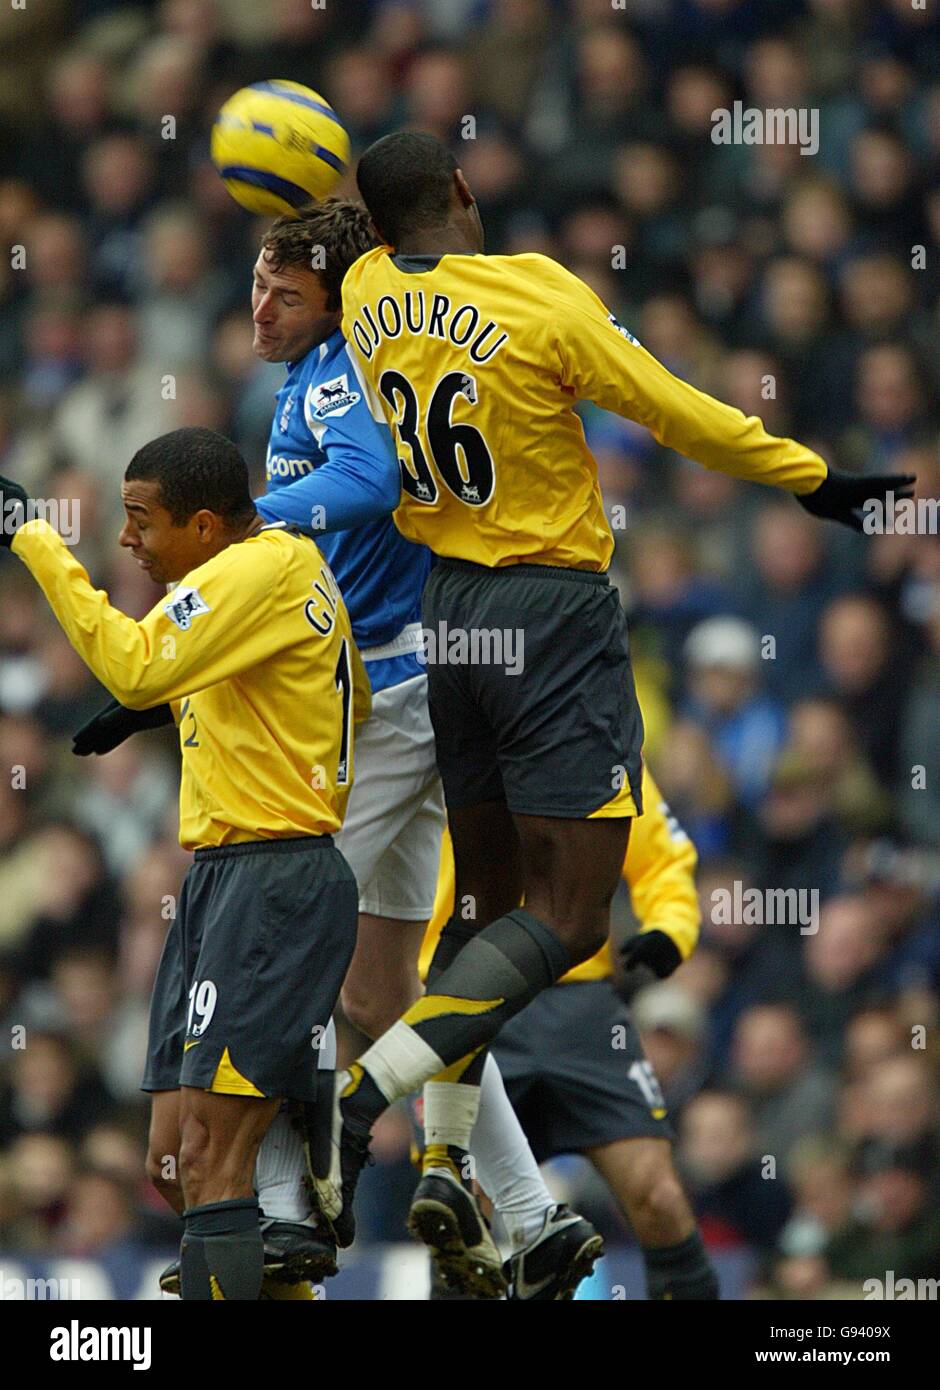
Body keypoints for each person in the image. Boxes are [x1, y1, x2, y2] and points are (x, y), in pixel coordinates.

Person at [311, 129, 915, 1266]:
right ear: (462, 188)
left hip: (450, 611)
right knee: (573, 913)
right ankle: (366, 1094)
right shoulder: (539, 296)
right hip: (547, 609)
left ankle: (443, 1158)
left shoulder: (366, 294)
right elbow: (675, 408)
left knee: (482, 906)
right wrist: (812, 479)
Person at [0, 426, 370, 1300]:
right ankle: (298, 1118)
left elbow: (131, 666)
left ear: (205, 526)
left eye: (141, 519)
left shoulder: (254, 571)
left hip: (275, 877)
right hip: (223, 879)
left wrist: (29, 534)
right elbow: (282, 689)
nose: (127, 538)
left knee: (210, 1161)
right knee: (171, 1162)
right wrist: (164, 706)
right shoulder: (269, 572)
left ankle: (308, 1109)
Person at [418, 763, 720, 1301]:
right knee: (463, 1216)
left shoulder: (586, 728)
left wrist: (671, 925)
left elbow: (660, 850)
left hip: (579, 1005)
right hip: (464, 992)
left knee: (658, 1196)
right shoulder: (432, 715)